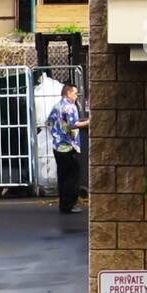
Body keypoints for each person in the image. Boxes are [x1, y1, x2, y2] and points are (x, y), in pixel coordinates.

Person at [47, 83, 89, 214]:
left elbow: (49, 121)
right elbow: (73, 124)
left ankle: (63, 203)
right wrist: (88, 122)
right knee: (73, 176)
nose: (77, 96)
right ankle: (70, 204)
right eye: (75, 93)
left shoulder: (57, 106)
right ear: (68, 93)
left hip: (57, 145)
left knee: (63, 176)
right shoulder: (70, 107)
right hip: (68, 146)